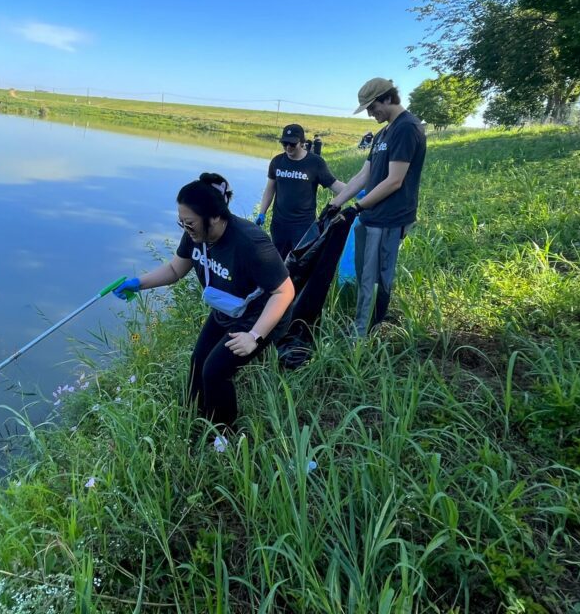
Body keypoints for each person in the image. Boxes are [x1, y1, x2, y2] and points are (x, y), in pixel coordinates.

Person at [113, 173, 294, 430]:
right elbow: (176, 270)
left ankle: (222, 436)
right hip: (227, 309)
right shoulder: (195, 234)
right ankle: (192, 422)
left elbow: (284, 292)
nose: (186, 229)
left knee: (215, 371)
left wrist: (253, 336)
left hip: (259, 316)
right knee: (199, 361)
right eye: (182, 223)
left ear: (216, 217)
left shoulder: (250, 242)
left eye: (189, 223)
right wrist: (138, 283)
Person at [329, 79, 427, 336]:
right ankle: (360, 325)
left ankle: (363, 336)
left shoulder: (407, 128)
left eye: (372, 108)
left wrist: (357, 207)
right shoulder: (384, 133)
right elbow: (364, 174)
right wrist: (336, 203)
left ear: (387, 98)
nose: (371, 114)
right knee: (364, 277)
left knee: (375, 281)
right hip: (371, 216)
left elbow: (395, 180)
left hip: (388, 218)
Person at [256, 123, 345, 259]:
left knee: (300, 264)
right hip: (279, 225)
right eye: (284, 143)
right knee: (280, 262)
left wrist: (357, 191)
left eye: (292, 144)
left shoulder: (315, 163)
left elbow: (334, 185)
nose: (288, 147)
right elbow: (270, 189)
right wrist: (262, 213)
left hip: (303, 226)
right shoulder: (277, 162)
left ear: (302, 142)